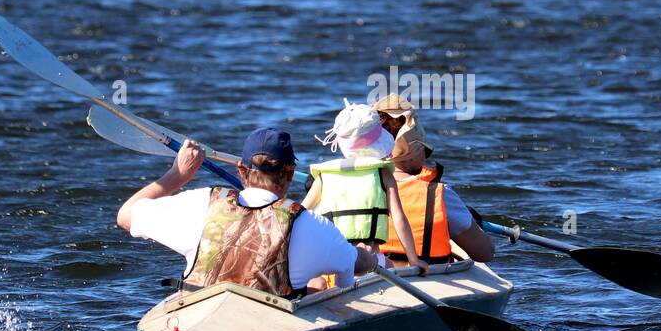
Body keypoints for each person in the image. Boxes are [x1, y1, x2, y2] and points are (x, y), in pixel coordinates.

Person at [118, 127, 378, 297]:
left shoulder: (201, 202)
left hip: (196, 320)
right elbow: (354, 263)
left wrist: (178, 175)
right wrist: (372, 260)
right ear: (289, 175)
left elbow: (125, 215)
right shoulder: (312, 224)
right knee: (317, 288)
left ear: (241, 171)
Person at [303, 101, 426, 271]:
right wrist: (413, 260)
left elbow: (299, 215)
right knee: (390, 266)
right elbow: (399, 219)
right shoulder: (383, 174)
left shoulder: (324, 176)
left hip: (331, 261)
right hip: (370, 259)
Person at [373, 94, 496, 264]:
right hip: (423, 276)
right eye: (425, 150)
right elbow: (486, 253)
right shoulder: (440, 195)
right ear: (412, 150)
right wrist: (471, 222)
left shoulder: (346, 186)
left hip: (365, 275)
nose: (425, 157)